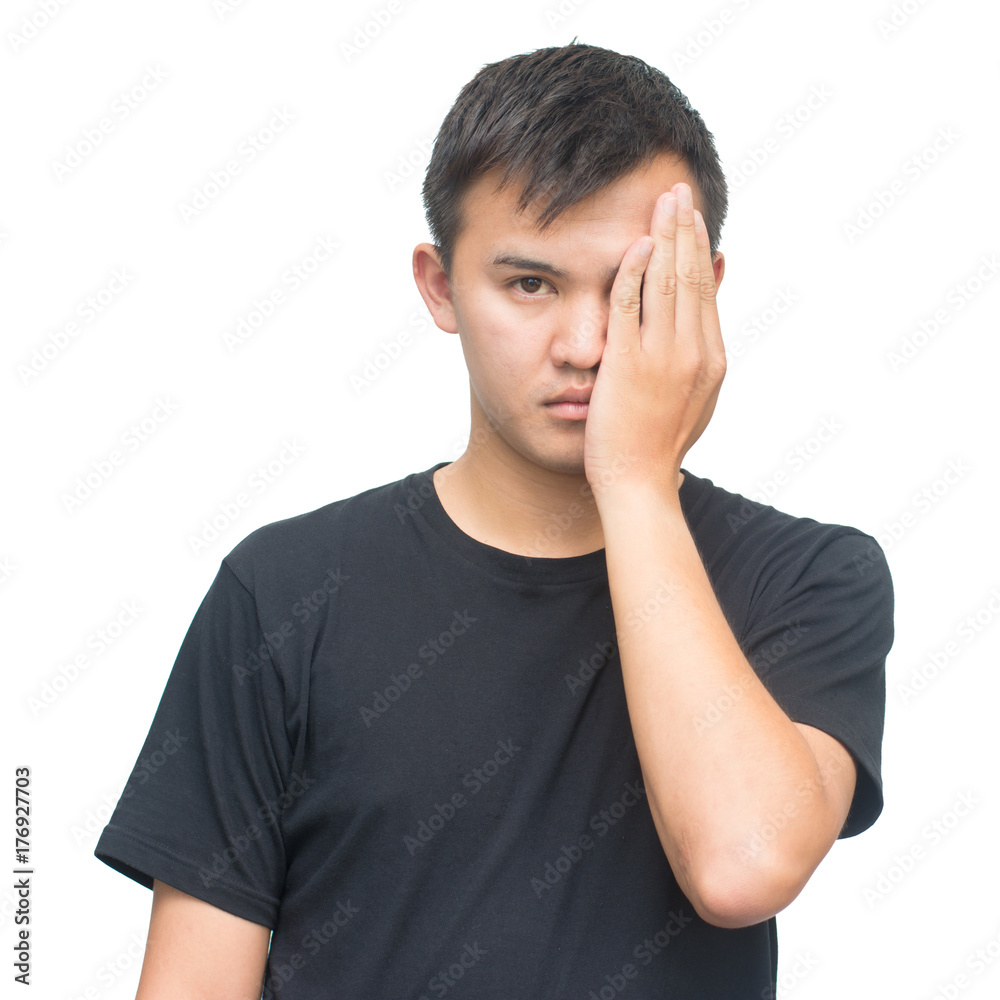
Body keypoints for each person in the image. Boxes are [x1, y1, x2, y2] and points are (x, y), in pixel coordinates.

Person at [94, 41, 894, 999]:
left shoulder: (808, 578)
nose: (586, 346)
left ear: (705, 292)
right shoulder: (285, 593)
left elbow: (742, 866)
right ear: (439, 287)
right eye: (529, 284)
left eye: (633, 289)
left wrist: (634, 479)